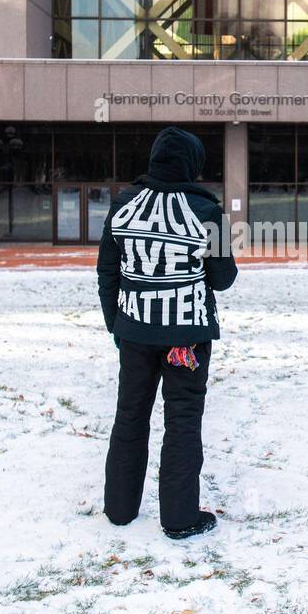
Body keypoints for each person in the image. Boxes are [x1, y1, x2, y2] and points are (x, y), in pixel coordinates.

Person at [96, 125, 237, 540]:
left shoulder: (122, 204)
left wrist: (117, 326)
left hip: (134, 330)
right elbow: (224, 278)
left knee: (130, 415)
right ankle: (179, 518)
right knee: (183, 420)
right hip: (186, 335)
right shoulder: (207, 211)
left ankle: (120, 510)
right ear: (192, 164)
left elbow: (107, 272)